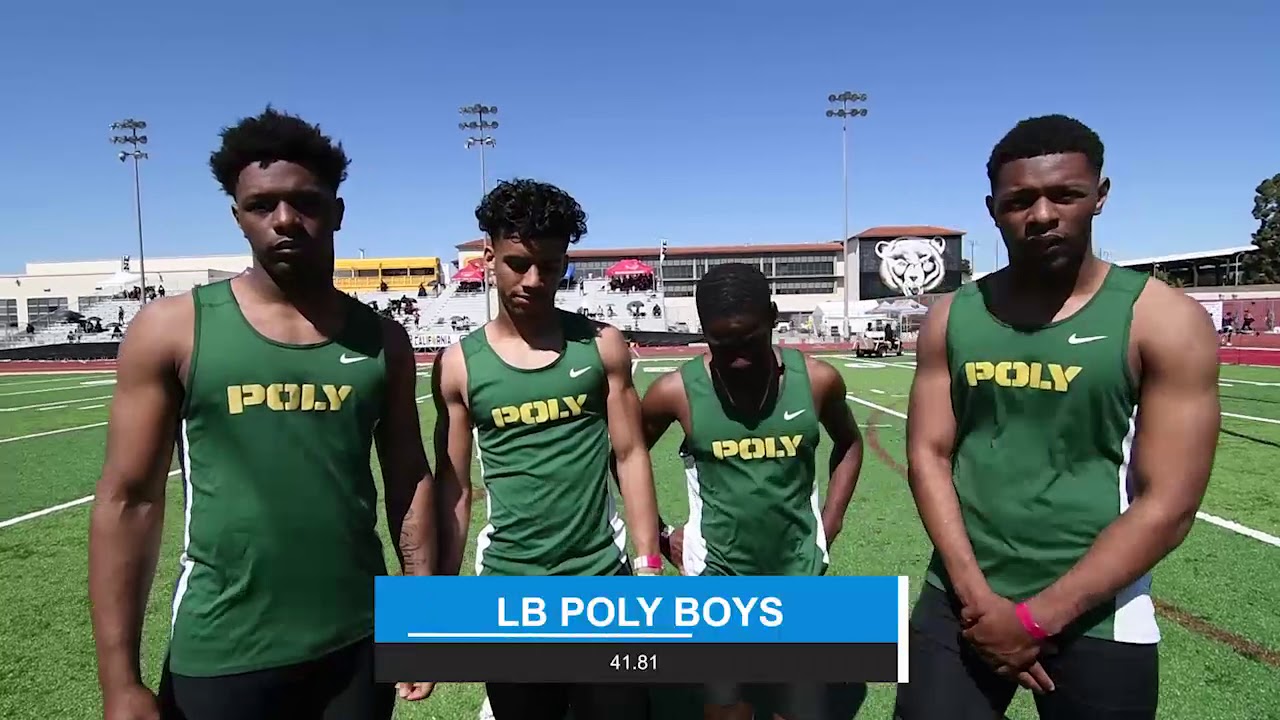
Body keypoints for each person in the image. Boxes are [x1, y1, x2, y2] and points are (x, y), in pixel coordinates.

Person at [88, 107, 437, 720]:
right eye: (261, 205)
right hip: (223, 649)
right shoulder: (173, 328)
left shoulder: (383, 340)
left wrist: (419, 622)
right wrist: (119, 681)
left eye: (304, 201)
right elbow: (128, 501)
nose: (284, 220)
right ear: (238, 217)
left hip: (357, 646)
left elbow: (409, 478)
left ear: (337, 212)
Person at [894, 114, 1221, 719]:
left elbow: (1168, 504)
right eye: (1020, 200)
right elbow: (928, 455)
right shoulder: (951, 317)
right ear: (993, 209)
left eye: (1064, 195)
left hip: (1098, 612)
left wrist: (1035, 618)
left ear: (1099, 196)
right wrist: (978, 600)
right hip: (961, 600)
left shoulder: (1163, 320)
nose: (1042, 214)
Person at [431, 178, 661, 720]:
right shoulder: (459, 365)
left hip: (604, 583)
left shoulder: (601, 345)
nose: (535, 280)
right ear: (488, 255)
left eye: (551, 266)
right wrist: (435, 604)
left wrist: (648, 567)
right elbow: (455, 490)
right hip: (510, 592)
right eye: (517, 263)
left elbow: (630, 457)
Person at [636, 262, 866, 720]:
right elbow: (624, 457)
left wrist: (830, 521)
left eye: (748, 340)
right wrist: (660, 535)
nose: (737, 356)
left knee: (797, 707)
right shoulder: (674, 392)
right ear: (703, 331)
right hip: (716, 578)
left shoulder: (818, 380)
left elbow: (850, 443)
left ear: (774, 318)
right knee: (726, 708)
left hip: (796, 572)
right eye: (721, 344)